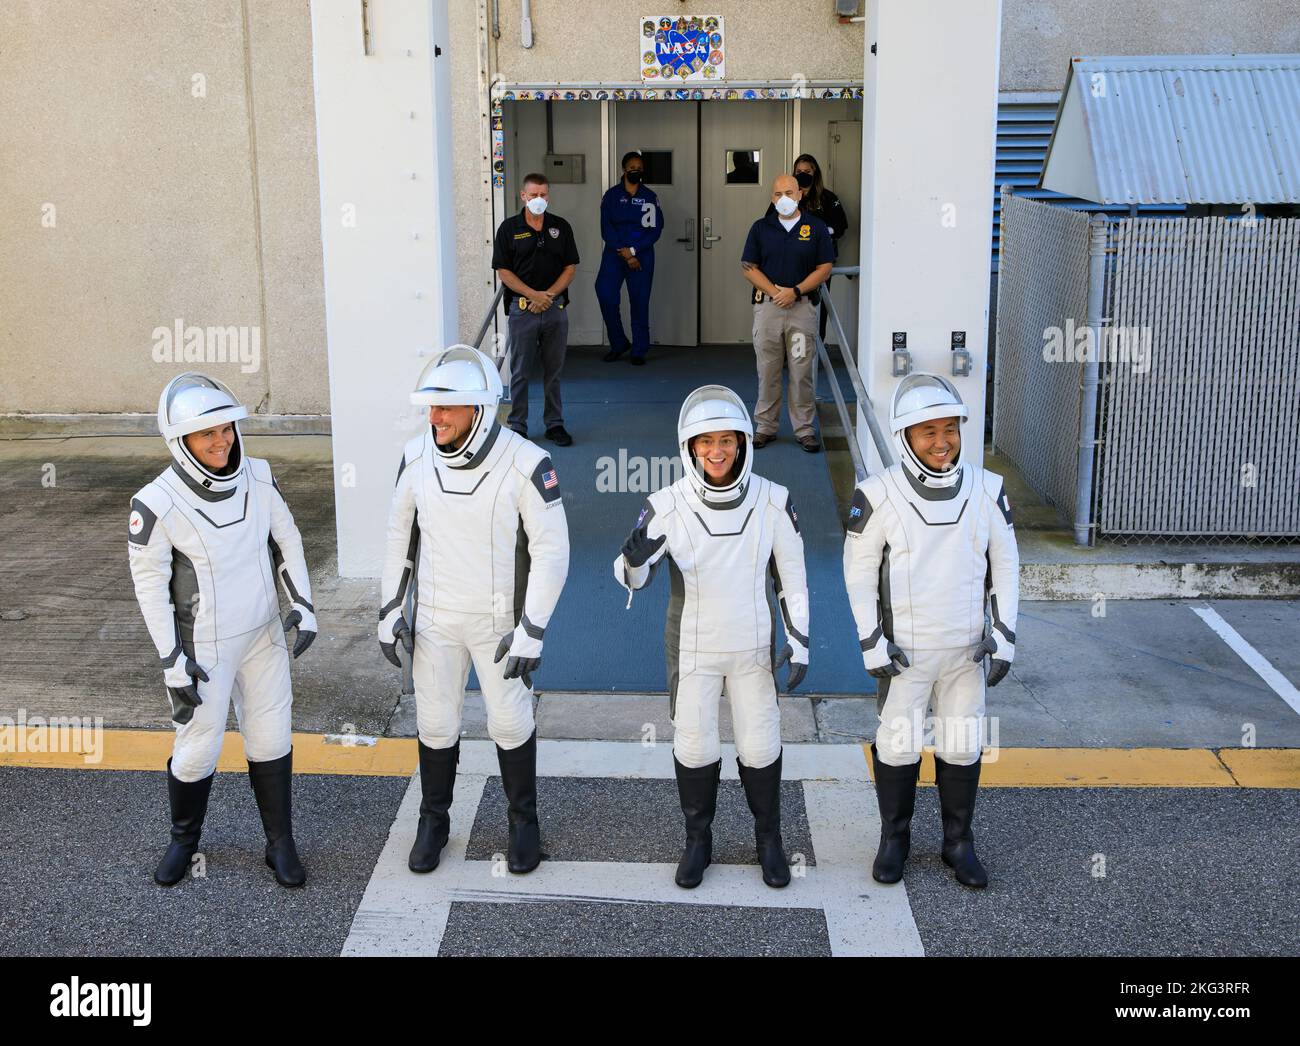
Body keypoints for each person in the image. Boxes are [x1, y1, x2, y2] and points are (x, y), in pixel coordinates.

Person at [379, 345, 569, 876]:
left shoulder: (528, 463)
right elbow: (400, 536)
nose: (434, 418)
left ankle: (522, 824)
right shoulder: (415, 457)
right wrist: (390, 608)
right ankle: (433, 823)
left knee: (509, 723)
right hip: (436, 620)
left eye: (446, 407)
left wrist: (533, 629)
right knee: (435, 724)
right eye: (431, 408)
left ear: (480, 410)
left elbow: (554, 551)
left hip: (499, 627)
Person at [613, 386, 809, 890]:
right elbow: (633, 572)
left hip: (753, 648)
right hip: (692, 648)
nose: (717, 452)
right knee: (695, 744)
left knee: (760, 744)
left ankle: (770, 840)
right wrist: (631, 564)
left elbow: (792, 577)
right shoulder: (665, 504)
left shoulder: (773, 500)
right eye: (706, 442)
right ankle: (698, 840)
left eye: (727, 440)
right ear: (690, 447)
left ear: (742, 443)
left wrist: (800, 639)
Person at [128, 373, 316, 888]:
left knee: (271, 736)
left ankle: (279, 844)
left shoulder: (259, 475)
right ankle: (184, 842)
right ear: (180, 440)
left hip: (262, 636)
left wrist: (303, 603)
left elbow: (288, 540)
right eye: (206, 433)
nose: (221, 440)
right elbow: (150, 589)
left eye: (226, 427)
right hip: (202, 649)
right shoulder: (155, 502)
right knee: (198, 747)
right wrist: (171, 660)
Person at [842, 373, 1019, 890]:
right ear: (905, 438)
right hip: (906, 656)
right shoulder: (877, 495)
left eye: (950, 429)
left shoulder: (989, 489)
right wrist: (870, 639)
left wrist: (1005, 634)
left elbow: (1006, 566)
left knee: (963, 744)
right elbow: (857, 573)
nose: (942, 441)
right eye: (928, 432)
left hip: (967, 650)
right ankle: (894, 839)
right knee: (897, 746)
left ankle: (957, 843)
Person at [740, 175, 834, 453]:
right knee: (767, 370)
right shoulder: (761, 228)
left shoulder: (814, 228)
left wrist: (794, 291)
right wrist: (775, 292)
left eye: (789, 192)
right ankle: (765, 427)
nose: (783, 198)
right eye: (778, 193)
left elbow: (824, 267)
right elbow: (748, 266)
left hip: (801, 310)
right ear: (772, 198)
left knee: (801, 370)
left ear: (800, 195)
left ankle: (804, 429)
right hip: (769, 310)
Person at [492, 172, 580, 446]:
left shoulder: (560, 227)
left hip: (555, 309)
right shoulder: (509, 228)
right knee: (520, 371)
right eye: (533, 195)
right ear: (523, 196)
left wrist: (548, 296)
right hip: (522, 310)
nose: (538, 200)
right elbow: (503, 271)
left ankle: (555, 425)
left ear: (548, 196)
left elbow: (570, 268)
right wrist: (533, 296)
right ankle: (518, 426)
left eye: (543, 195)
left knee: (553, 372)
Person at [596, 151, 664, 365]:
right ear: (624, 169)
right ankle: (618, 343)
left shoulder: (649, 197)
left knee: (639, 302)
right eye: (632, 166)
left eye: (640, 167)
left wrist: (633, 251)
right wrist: (623, 251)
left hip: (641, 257)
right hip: (613, 256)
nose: (636, 170)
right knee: (605, 294)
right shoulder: (611, 196)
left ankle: (639, 349)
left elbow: (655, 229)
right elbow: (606, 228)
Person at [792, 154, 848, 344]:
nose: (803, 175)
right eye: (798, 172)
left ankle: (816, 349)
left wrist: (822, 231)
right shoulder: (788, 197)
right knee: (792, 303)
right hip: (792, 261)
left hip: (820, 262)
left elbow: (841, 226)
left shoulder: (827, 197)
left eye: (807, 172)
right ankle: (790, 350)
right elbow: (771, 223)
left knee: (818, 305)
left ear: (815, 172)